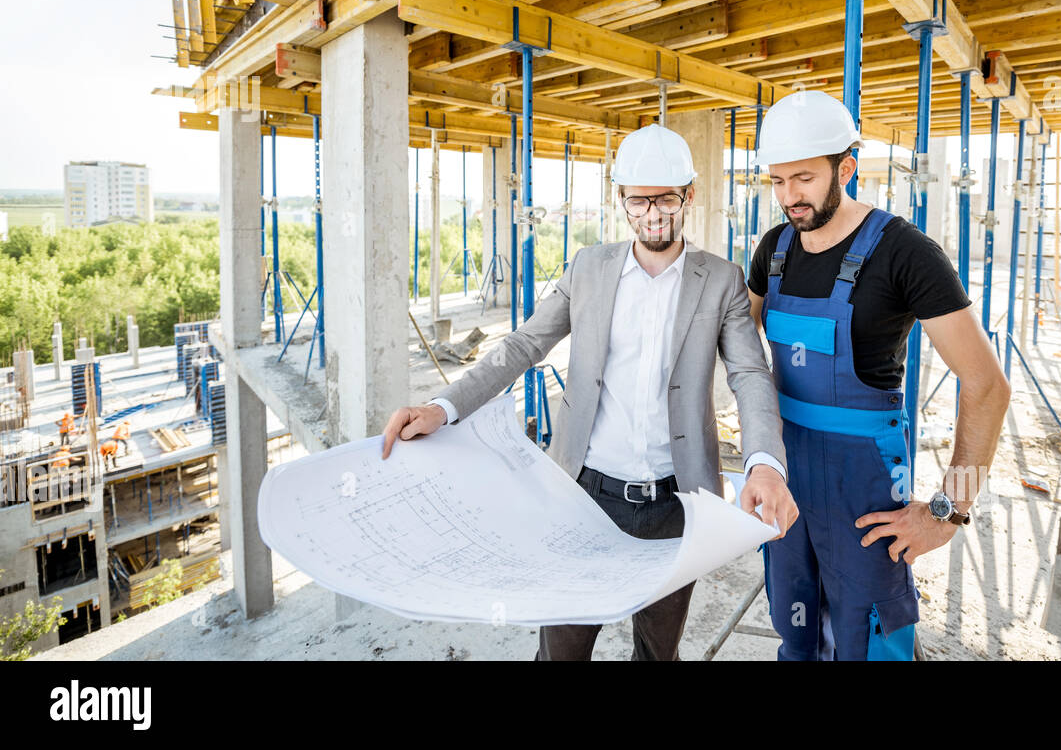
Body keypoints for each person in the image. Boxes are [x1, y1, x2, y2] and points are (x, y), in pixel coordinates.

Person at [382, 124, 798, 661]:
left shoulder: (721, 280)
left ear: (689, 196)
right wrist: (444, 406)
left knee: (658, 653)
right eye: (638, 201)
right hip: (583, 496)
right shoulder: (588, 268)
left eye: (666, 199)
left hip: (677, 506)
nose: (653, 214)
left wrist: (765, 463)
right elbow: (525, 344)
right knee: (562, 649)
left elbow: (750, 373)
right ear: (620, 199)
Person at [748, 90, 1010, 661]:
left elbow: (988, 385)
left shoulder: (904, 252)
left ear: (846, 169)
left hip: (863, 488)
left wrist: (949, 510)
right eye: (778, 181)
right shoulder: (774, 250)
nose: (789, 197)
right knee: (793, 623)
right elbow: (741, 351)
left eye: (804, 178)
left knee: (867, 636)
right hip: (786, 476)